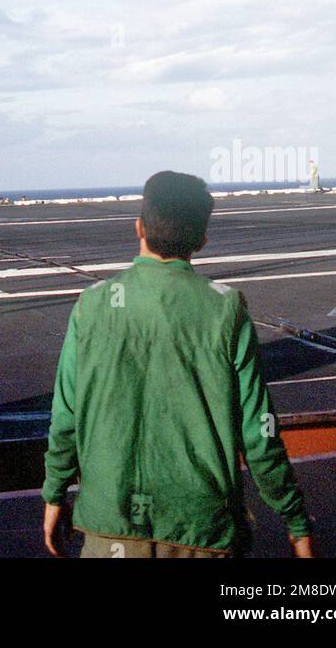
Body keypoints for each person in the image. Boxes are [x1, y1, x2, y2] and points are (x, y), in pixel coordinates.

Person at [42, 170, 314, 560]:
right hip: (203, 532)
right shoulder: (227, 309)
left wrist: (54, 493)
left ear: (138, 227)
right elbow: (259, 434)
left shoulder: (91, 304)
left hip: (107, 528)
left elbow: (65, 417)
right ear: (202, 240)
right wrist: (295, 520)